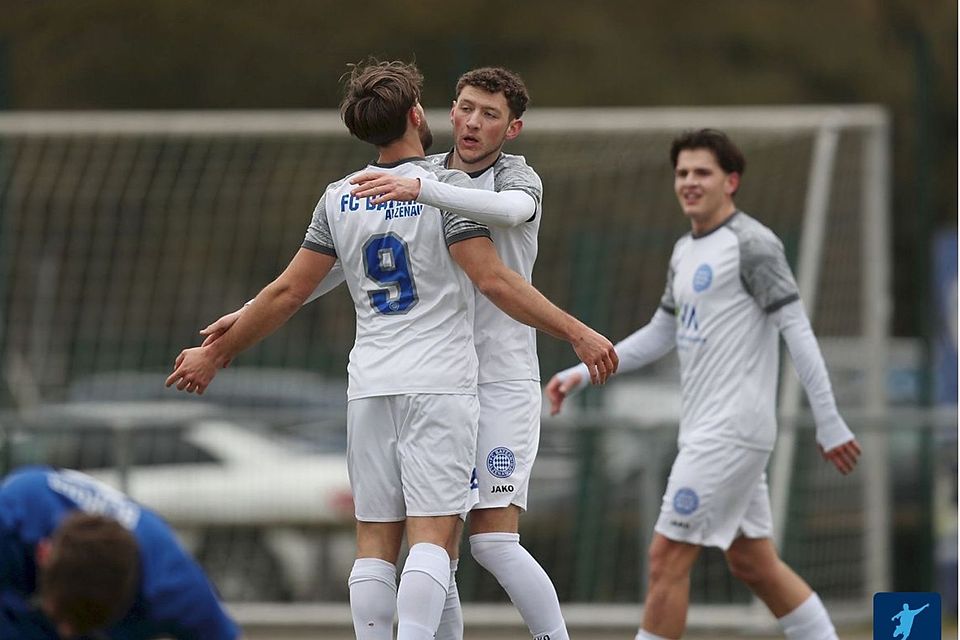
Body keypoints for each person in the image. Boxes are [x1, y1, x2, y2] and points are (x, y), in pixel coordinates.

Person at [166, 59, 617, 640]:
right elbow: (493, 281)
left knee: (385, 544)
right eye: (465, 108)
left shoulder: (343, 195)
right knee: (435, 538)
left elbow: (289, 289)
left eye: (490, 114)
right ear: (422, 114)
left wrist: (219, 349)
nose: (473, 121)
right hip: (439, 382)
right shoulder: (446, 189)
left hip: (374, 384)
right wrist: (579, 331)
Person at [546, 129, 862, 640]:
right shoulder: (684, 251)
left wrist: (829, 421)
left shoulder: (753, 245)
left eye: (702, 173)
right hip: (710, 431)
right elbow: (660, 334)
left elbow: (798, 332)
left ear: (730, 181)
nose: (689, 182)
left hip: (731, 431)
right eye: (683, 173)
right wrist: (585, 371)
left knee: (665, 557)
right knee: (752, 562)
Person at [0, 465, 240, 640]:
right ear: (44, 554)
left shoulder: (176, 587)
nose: (66, 632)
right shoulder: (14, 517)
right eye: (59, 615)